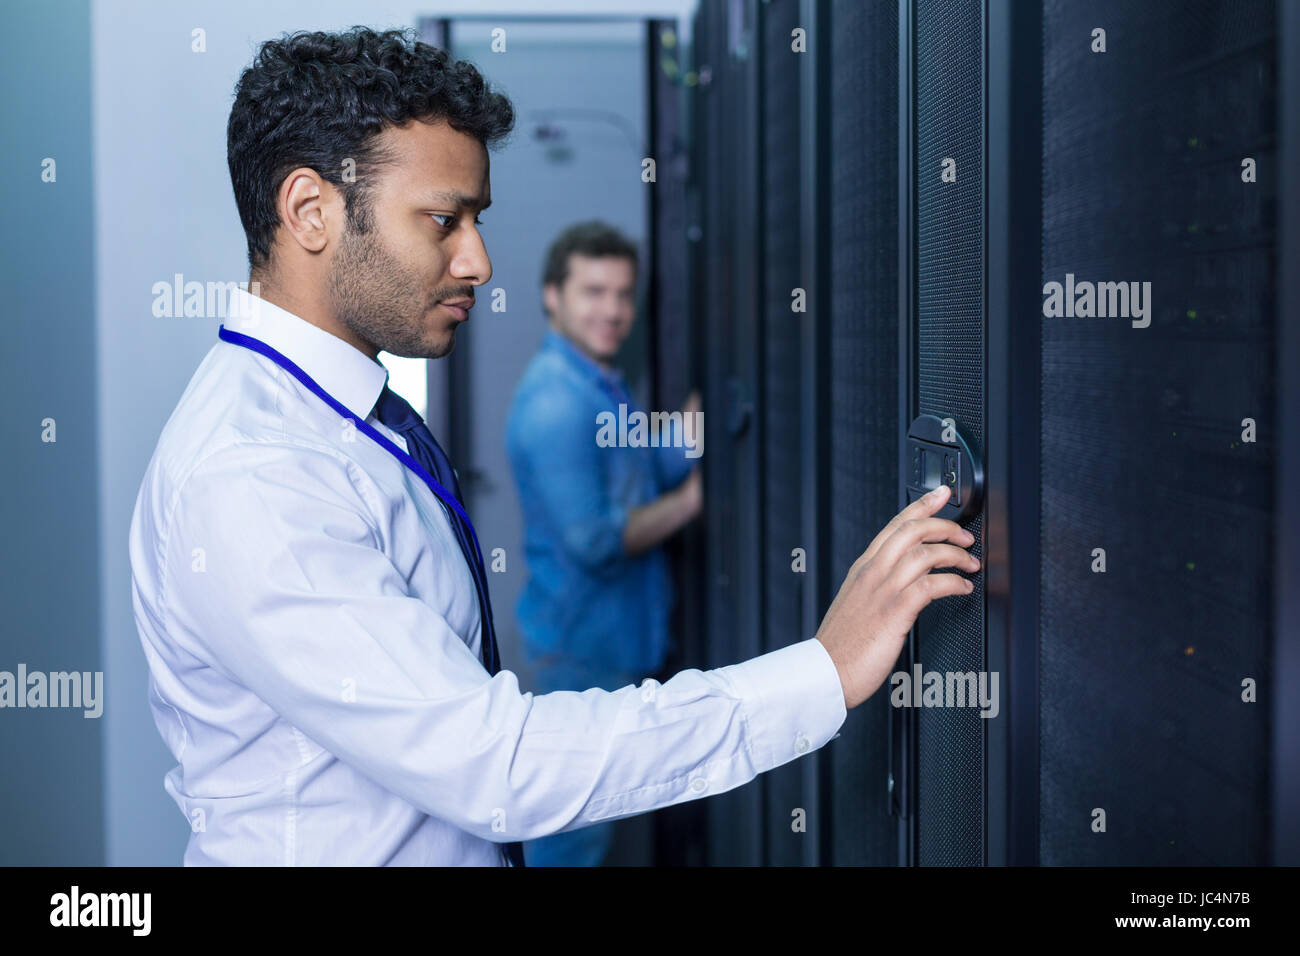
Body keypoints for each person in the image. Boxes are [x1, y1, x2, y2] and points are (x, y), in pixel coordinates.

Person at [128, 26, 980, 866]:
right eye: (443, 220)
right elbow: (492, 763)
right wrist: (822, 671)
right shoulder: (256, 472)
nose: (480, 261)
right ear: (311, 211)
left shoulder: (343, 414)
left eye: (478, 220)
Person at [505, 221, 702, 866]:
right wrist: (691, 503)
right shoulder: (555, 405)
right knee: (570, 840)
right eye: (593, 292)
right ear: (551, 297)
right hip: (584, 655)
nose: (613, 310)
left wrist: (692, 429)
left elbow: (644, 465)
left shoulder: (598, 384)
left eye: (623, 294)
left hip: (617, 647)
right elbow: (595, 540)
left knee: (591, 833)